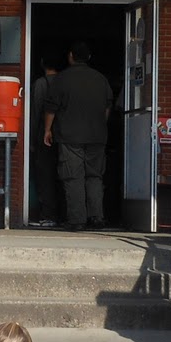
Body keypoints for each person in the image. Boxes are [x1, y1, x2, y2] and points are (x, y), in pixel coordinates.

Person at [42, 41, 112, 230]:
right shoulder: (100, 79)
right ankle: (97, 217)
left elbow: (51, 108)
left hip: (70, 136)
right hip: (97, 136)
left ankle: (77, 220)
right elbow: (107, 107)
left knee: (73, 177)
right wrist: (98, 125)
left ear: (71, 56)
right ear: (88, 57)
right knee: (95, 177)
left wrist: (47, 130)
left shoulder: (62, 79)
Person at [27, 57, 60, 227]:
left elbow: (35, 111)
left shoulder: (41, 84)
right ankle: (68, 214)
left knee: (45, 175)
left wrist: (31, 139)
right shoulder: (65, 81)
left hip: (45, 136)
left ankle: (48, 215)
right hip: (65, 136)